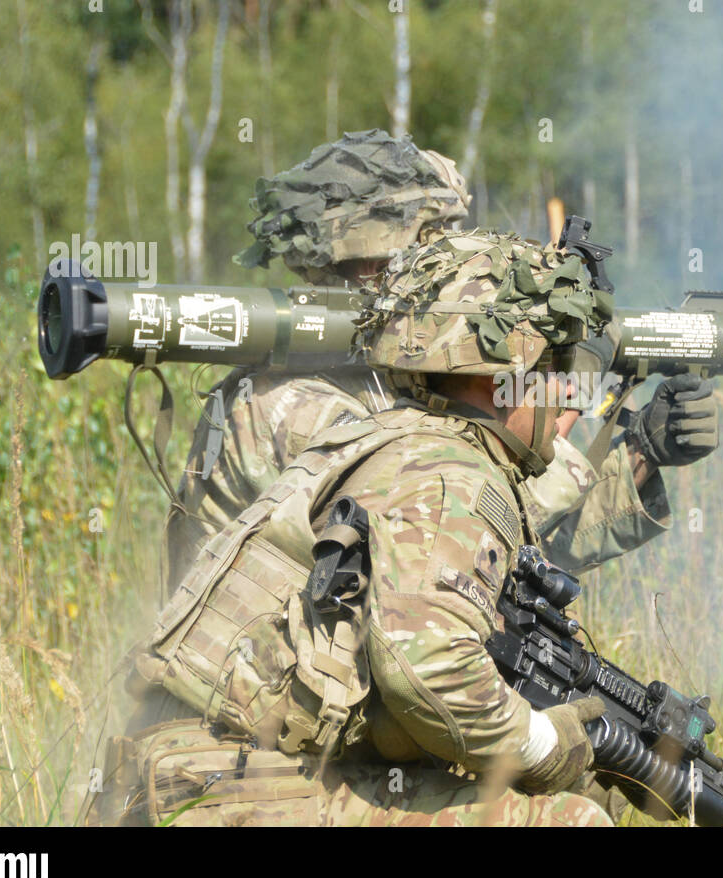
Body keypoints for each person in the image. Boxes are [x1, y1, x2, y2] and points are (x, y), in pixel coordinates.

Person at [87, 229, 620, 826]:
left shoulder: (378, 439)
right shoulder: (450, 473)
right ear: (501, 375)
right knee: (570, 821)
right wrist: (543, 743)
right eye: (557, 366)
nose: (570, 391)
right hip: (232, 794)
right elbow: (430, 668)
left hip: (171, 776)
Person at [165, 130, 717, 592]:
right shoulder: (292, 405)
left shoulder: (391, 380)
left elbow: (518, 556)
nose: (450, 269)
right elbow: (457, 538)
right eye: (432, 249)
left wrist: (643, 450)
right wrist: (571, 384)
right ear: (373, 261)